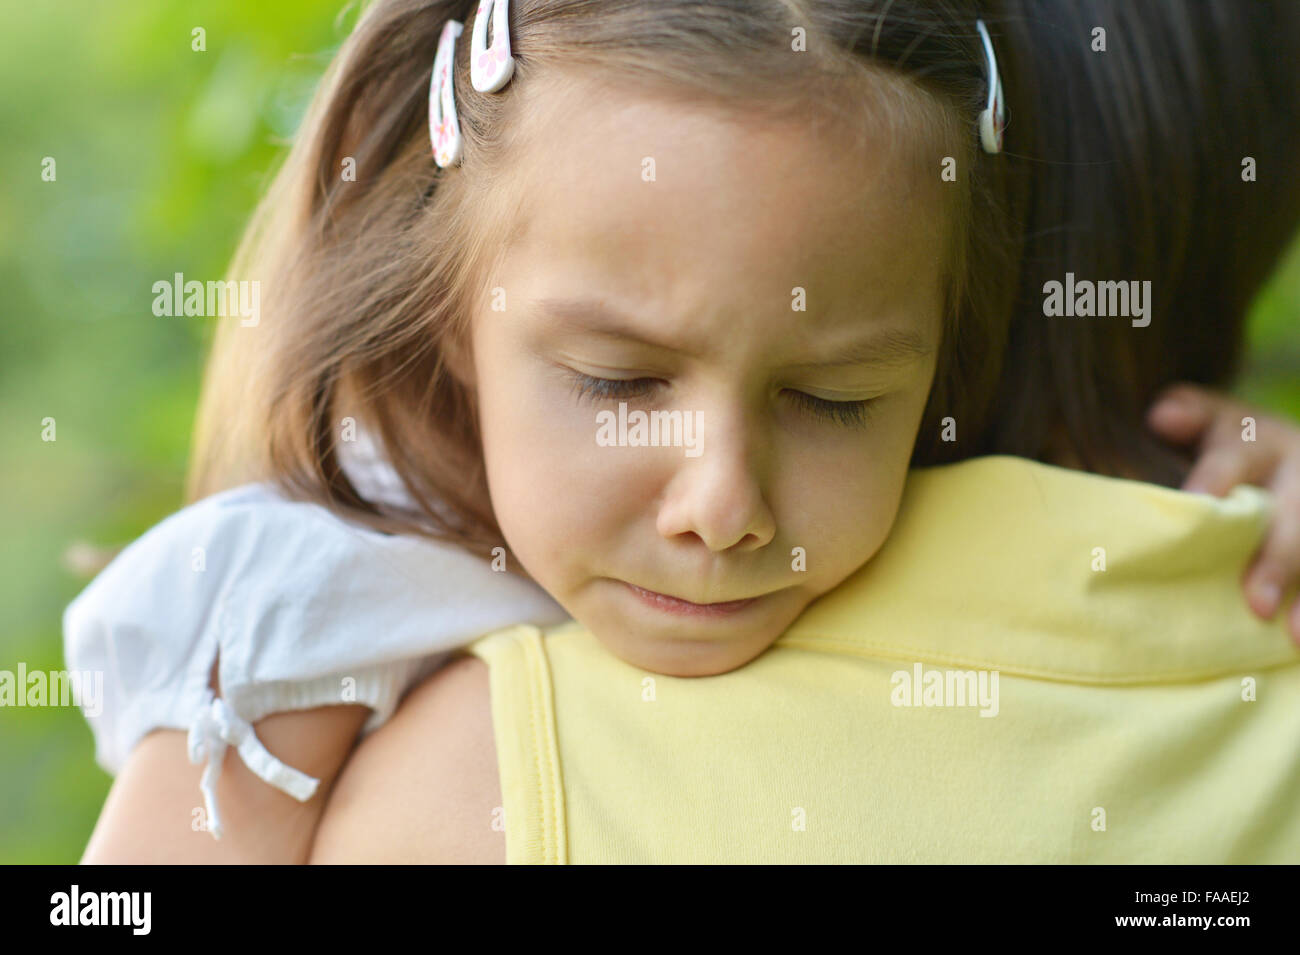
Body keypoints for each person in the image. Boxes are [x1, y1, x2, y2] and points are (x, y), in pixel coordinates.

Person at [71, 0, 1300, 863]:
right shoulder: (306, 613)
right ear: (447, 317)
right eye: (615, 383)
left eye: (832, 402)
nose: (723, 502)